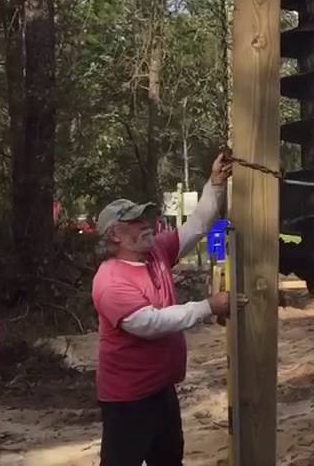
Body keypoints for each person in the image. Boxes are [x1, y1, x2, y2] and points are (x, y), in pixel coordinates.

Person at [92, 152, 235, 466]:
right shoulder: (110, 281)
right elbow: (150, 323)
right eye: (135, 222)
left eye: (145, 218)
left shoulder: (155, 251)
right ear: (115, 235)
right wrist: (208, 306)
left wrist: (215, 184)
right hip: (128, 399)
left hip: (161, 390)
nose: (145, 225)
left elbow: (196, 225)